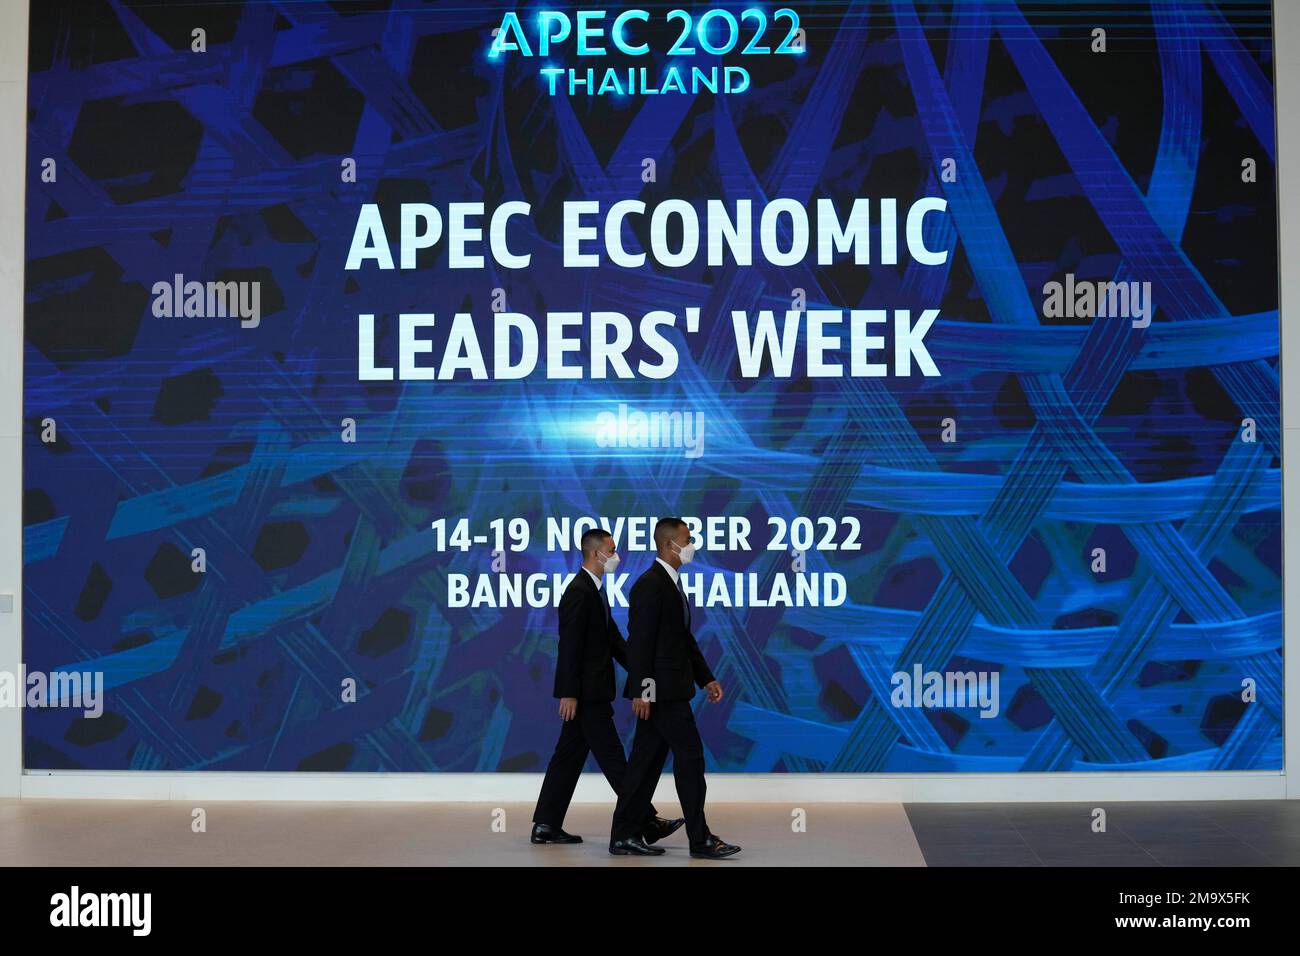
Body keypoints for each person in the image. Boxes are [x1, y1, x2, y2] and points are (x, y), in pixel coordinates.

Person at [531, 527, 684, 846]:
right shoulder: (578, 592)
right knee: (615, 760)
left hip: (592, 692)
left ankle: (545, 824)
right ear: (595, 553)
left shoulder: (595, 590)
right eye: (612, 550)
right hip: (587, 695)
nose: (617, 556)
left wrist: (645, 669)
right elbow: (569, 645)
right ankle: (645, 821)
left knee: (568, 758)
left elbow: (615, 642)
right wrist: (568, 692)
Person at [609, 517, 741, 858]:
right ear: (670, 545)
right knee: (691, 759)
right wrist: (643, 691)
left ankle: (624, 834)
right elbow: (640, 643)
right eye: (688, 538)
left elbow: (682, 640)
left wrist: (706, 677)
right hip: (662, 694)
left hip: (670, 689)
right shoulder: (650, 585)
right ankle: (700, 840)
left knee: (644, 765)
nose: (693, 543)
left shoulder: (670, 583)